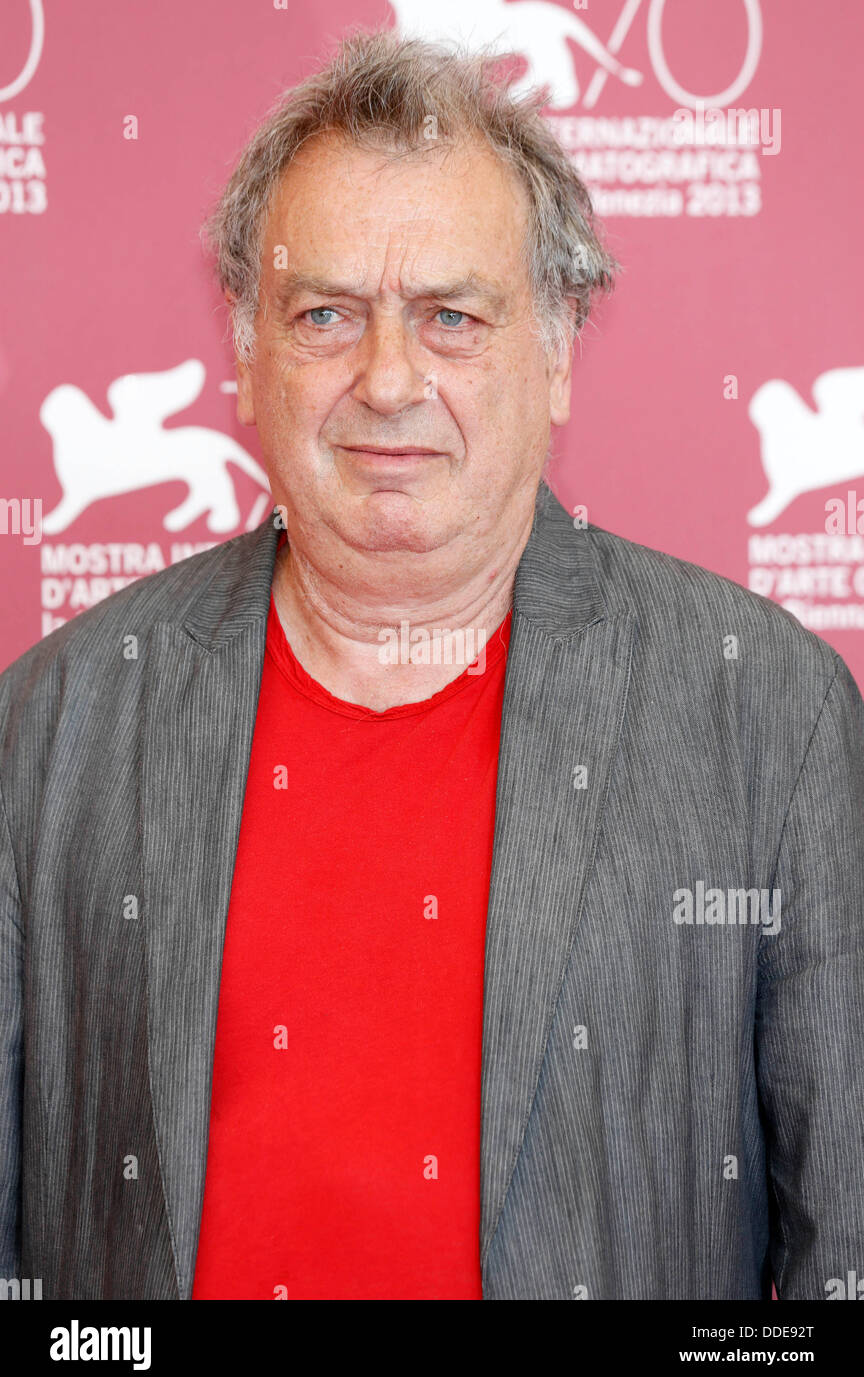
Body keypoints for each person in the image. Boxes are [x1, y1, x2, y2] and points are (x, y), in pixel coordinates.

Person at [1, 29, 863, 1301]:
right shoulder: (55, 721)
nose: (387, 380)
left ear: (559, 348)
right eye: (326, 315)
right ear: (245, 348)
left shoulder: (767, 712)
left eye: (452, 317)